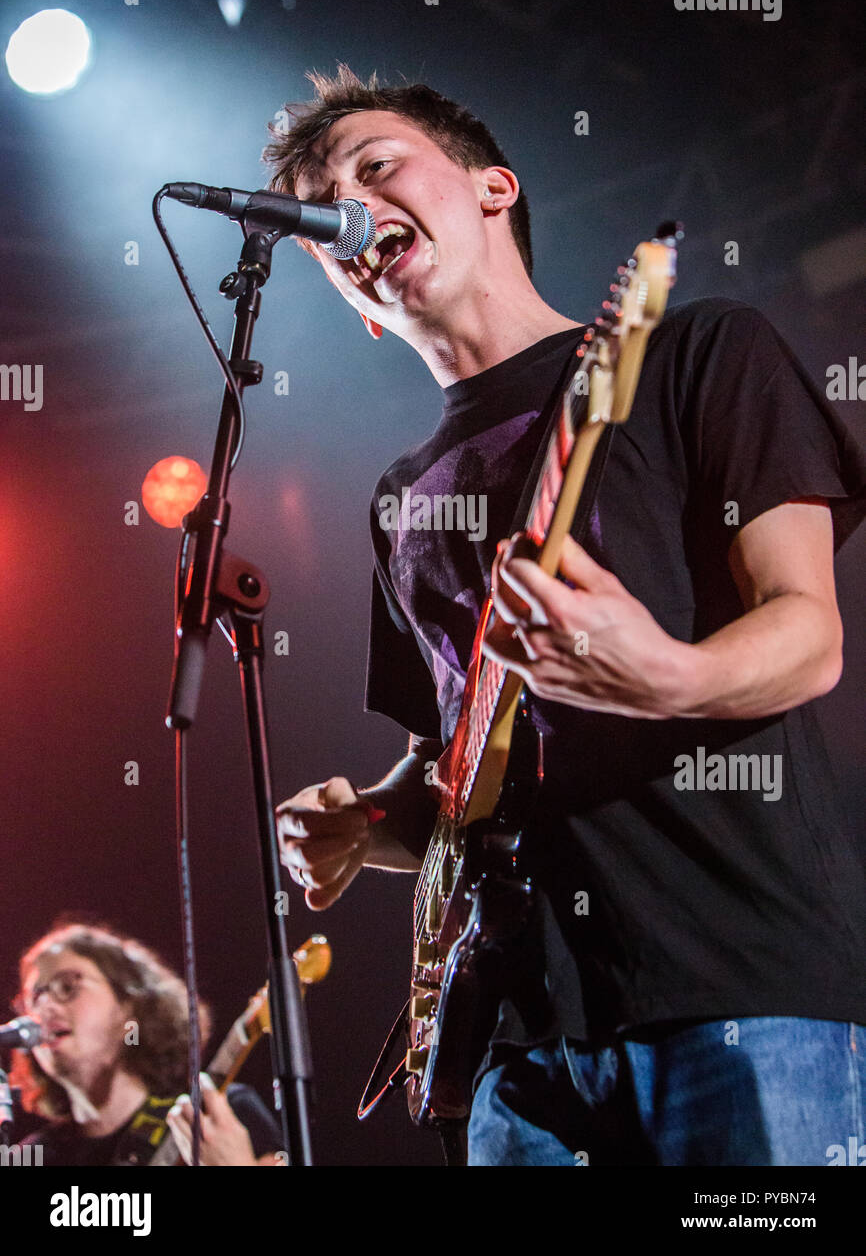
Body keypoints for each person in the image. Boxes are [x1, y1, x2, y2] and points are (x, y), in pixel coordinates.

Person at [269, 64, 866, 1166]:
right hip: (515, 1042)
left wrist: (667, 673)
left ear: (493, 187)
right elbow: (454, 775)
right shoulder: (400, 497)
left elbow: (808, 633)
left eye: (375, 166)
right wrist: (366, 826)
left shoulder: (691, 353)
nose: (346, 207)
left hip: (733, 980)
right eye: (320, 209)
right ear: (350, 308)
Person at [10, 922, 282, 1166]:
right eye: (34, 999)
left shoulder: (218, 1115)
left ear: (129, 1008)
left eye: (67, 987)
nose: (44, 1008)